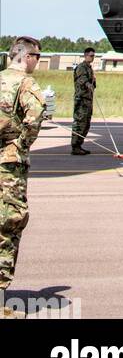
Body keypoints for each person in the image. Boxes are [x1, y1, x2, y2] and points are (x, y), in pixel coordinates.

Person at [0, 36, 46, 317]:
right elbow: (35, 117)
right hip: (8, 168)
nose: (37, 62)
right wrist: (18, 147)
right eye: (37, 57)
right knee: (9, 225)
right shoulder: (26, 84)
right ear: (27, 57)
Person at [71, 47, 96, 155]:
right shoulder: (81, 67)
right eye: (91, 55)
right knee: (80, 123)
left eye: (93, 56)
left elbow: (91, 82)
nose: (92, 57)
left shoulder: (89, 68)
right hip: (81, 99)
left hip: (88, 99)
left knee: (86, 124)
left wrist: (93, 82)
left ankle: (79, 145)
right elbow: (82, 80)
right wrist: (89, 85)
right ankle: (75, 146)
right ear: (85, 55)